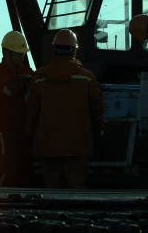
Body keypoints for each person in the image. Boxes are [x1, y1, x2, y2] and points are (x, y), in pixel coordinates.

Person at [26, 29, 102, 189]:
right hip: (77, 145)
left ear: (54, 49)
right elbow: (97, 111)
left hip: (47, 145)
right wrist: (97, 137)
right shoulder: (87, 77)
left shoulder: (39, 78)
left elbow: (31, 113)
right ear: (74, 50)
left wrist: (31, 139)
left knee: (51, 190)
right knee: (76, 190)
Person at [0, 30, 34, 186]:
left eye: (22, 54)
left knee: (24, 168)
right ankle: (0, 201)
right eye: (18, 54)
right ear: (7, 53)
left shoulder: (27, 73)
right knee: (7, 166)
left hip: (23, 129)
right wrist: (8, 89)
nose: (22, 57)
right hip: (3, 129)